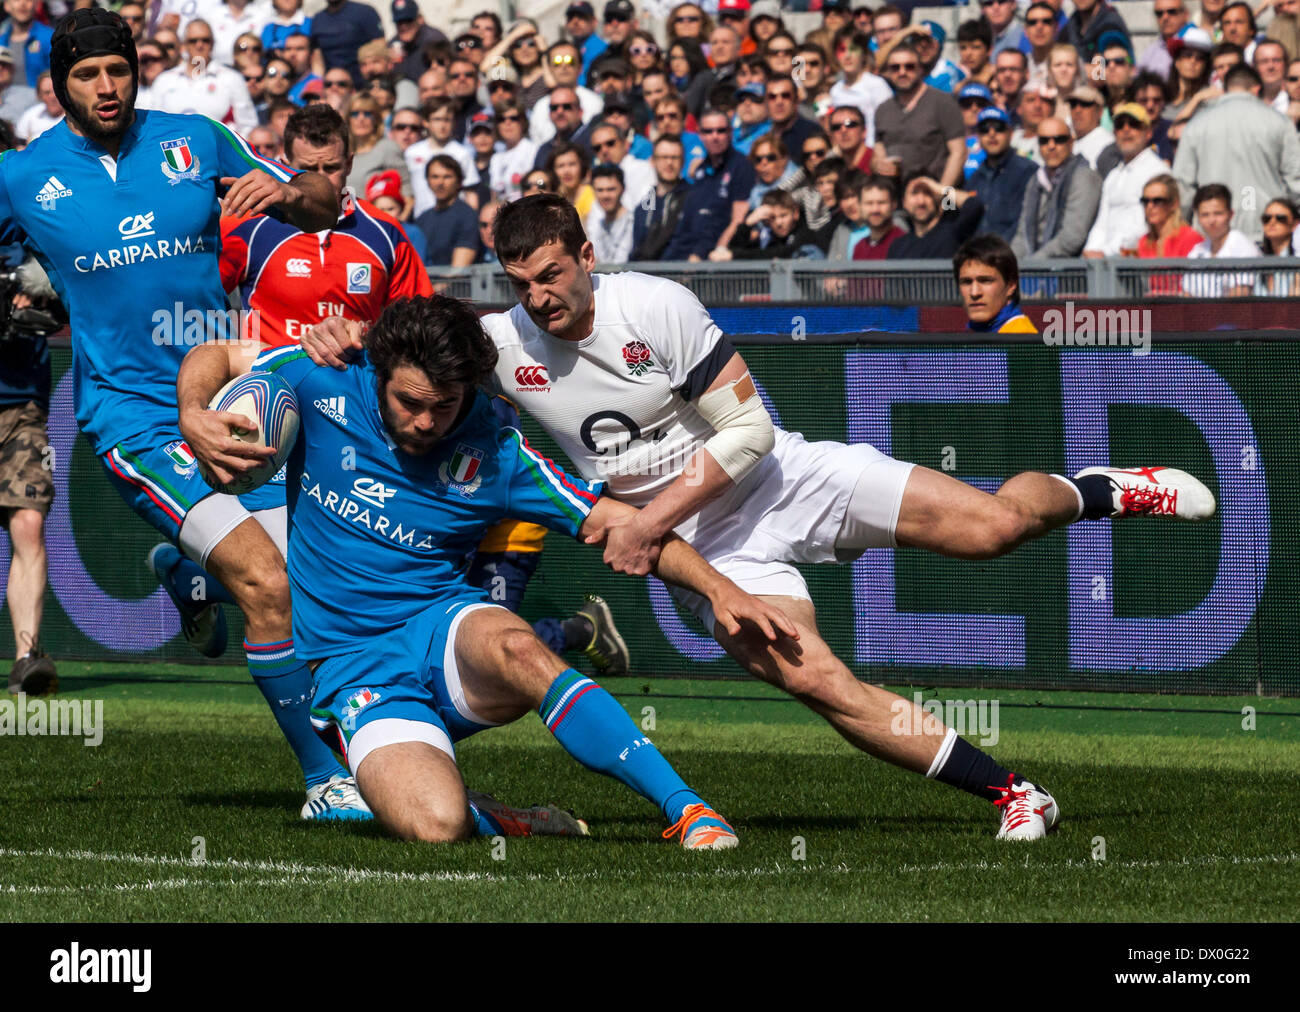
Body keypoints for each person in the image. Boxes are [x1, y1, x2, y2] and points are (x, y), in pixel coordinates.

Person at [304, 193, 1218, 842]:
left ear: (586, 255)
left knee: (990, 530)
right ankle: (1016, 792)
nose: (541, 296)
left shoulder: (654, 304)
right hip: (705, 548)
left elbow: (746, 432)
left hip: (781, 480)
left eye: (552, 273)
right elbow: (401, 344)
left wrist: (645, 519)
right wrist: (335, 332)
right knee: (819, 681)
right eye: (522, 282)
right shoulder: (501, 345)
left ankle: (1104, 488)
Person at [180, 297, 797, 848]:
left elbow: (617, 523)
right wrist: (192, 414)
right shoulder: (321, 376)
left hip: (443, 627)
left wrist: (720, 589)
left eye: (443, 406)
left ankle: (688, 809)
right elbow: (216, 352)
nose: (426, 422)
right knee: (435, 827)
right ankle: (502, 818)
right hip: (354, 664)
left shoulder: (495, 455)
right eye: (409, 403)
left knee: (519, 647)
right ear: (378, 371)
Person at [0, 8, 369, 820]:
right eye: (88, 74)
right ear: (58, 83)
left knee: (312, 587)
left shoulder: (196, 139)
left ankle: (190, 572)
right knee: (267, 578)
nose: (106, 87)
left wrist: (291, 188)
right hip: (133, 419)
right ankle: (327, 782)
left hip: (232, 402)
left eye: (118, 70)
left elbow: (319, 201)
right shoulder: (22, 176)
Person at [1172, 62, 1300, 245]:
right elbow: (1296, 181)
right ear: (1257, 89)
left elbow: (1183, 185)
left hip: (1211, 234)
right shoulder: (1280, 123)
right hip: (1265, 230)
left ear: (1225, 90)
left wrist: (1185, 225)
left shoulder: (1197, 125)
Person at [873, 41, 966, 187]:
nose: (902, 72)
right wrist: (878, 165)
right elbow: (878, 154)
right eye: (895, 67)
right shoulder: (883, 110)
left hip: (936, 196)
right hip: (898, 200)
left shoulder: (943, 103)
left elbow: (959, 153)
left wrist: (944, 200)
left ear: (921, 69)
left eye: (909, 66)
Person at [1083, 103, 1170, 256]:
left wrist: (1106, 252)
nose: (1126, 130)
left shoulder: (1157, 171)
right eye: (1119, 125)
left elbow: (1146, 225)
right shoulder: (1114, 174)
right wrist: (1091, 250)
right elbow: (1101, 222)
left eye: (1134, 124)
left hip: (1137, 265)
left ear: (1148, 133)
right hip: (1106, 264)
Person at [1011, 115, 1101, 258]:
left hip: (1070, 271)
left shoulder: (1084, 177)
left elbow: (1072, 237)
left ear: (1071, 142)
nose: (1051, 146)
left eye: (1059, 140)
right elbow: (1022, 236)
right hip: (1036, 268)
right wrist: (1009, 264)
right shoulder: (1035, 180)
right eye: (1044, 141)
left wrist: (1032, 265)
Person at [150, 18, 258, 135]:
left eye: (205, 40)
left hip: (219, 150)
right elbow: (154, 124)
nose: (199, 45)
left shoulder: (232, 78)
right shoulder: (164, 80)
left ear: (212, 43)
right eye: (193, 41)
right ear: (184, 45)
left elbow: (248, 126)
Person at [966, 106, 1037, 240]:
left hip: (1013, 254)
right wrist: (945, 190)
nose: (991, 134)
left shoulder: (1027, 171)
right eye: (984, 129)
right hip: (978, 254)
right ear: (978, 137)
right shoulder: (974, 177)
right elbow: (954, 216)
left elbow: (1026, 222)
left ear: (1010, 133)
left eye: (998, 127)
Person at [1183, 183, 1261, 297]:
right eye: (1205, 215)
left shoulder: (1242, 247)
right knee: (1147, 313)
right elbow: (1187, 297)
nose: (1211, 220)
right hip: (1199, 313)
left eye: (1218, 213)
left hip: (1231, 314)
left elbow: (1238, 301)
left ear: (1231, 214)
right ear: (1197, 217)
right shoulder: (1197, 251)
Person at [1134, 173, 1203, 295]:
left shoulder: (1190, 238)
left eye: (1158, 201)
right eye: (1145, 201)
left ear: (1174, 204)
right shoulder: (1144, 241)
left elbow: (1200, 287)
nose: (1150, 206)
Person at [888, 172, 984, 259]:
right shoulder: (898, 246)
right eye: (914, 193)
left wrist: (941, 189)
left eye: (928, 192)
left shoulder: (953, 232)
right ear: (904, 202)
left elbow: (975, 205)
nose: (921, 201)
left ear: (937, 199)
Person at [956, 235, 1037, 333]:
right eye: (966, 282)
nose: (974, 293)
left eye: (985, 281)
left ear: (1011, 286)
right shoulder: (973, 330)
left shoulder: (1022, 337)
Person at [631, 134, 690, 260]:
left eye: (675, 157)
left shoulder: (693, 199)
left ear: (683, 161)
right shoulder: (643, 206)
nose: (669, 163)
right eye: (664, 157)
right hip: (645, 275)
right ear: (653, 161)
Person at [416, 156, 480, 268]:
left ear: (459, 182)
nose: (440, 182)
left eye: (447, 177)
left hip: (456, 285)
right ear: (428, 181)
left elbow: (458, 271)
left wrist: (438, 286)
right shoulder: (422, 219)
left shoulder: (468, 217)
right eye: (435, 177)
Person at [309, 0, 383, 88]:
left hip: (363, 85)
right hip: (333, 87)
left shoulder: (365, 12)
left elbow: (380, 49)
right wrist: (318, 86)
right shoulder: (318, 19)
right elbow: (318, 61)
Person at [584, 162, 633, 262]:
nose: (605, 195)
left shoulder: (633, 222)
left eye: (611, 189)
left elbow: (621, 263)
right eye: (600, 190)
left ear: (623, 189)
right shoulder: (598, 225)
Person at [1256, 196, 1300, 293]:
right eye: (1267, 218)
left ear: (1295, 224)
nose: (1272, 222)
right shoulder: (1257, 260)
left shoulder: (1297, 259)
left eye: (1280, 218)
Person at [1139, 0, 1189, 78]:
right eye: (1159, 13)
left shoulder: (1197, 45)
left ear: (1186, 14)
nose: (1165, 17)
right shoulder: (1149, 54)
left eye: (1172, 12)